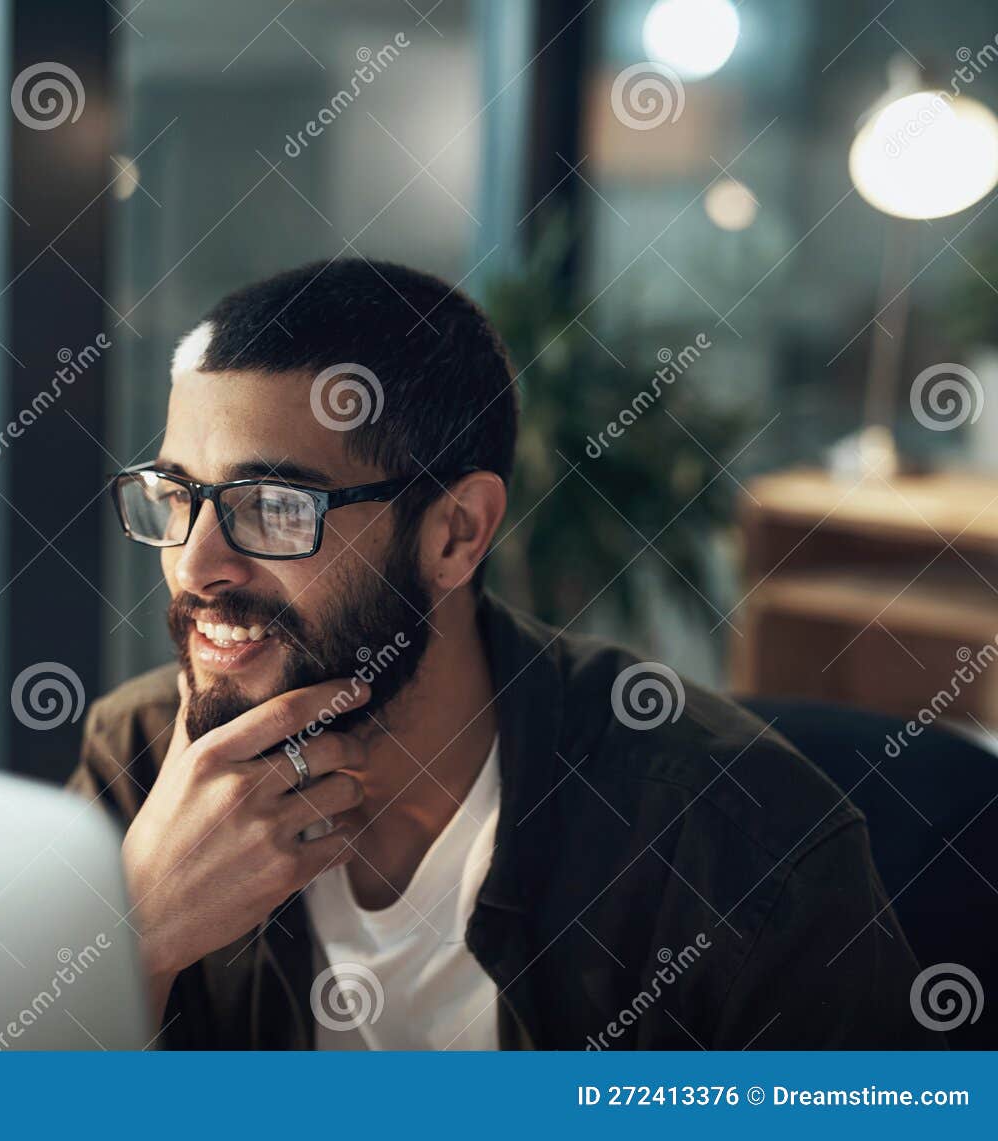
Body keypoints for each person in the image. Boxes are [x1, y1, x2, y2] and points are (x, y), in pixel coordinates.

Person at [68, 259, 939, 1050]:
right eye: (176, 494)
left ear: (456, 533)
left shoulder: (736, 836)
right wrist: (136, 934)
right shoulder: (142, 757)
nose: (196, 564)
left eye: (273, 505)